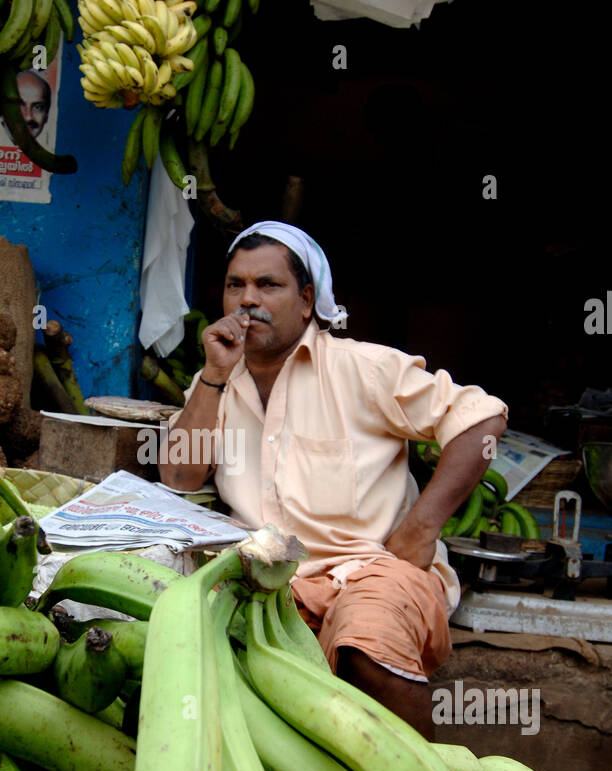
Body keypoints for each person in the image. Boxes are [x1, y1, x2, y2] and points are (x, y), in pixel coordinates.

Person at [158, 221, 508, 737]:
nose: (247, 299)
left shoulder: (362, 368)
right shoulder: (216, 381)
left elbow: (481, 417)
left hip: (372, 571)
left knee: (366, 643)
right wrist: (212, 373)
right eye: (236, 285)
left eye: (267, 285)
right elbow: (182, 476)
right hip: (269, 581)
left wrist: (422, 526)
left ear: (306, 300)